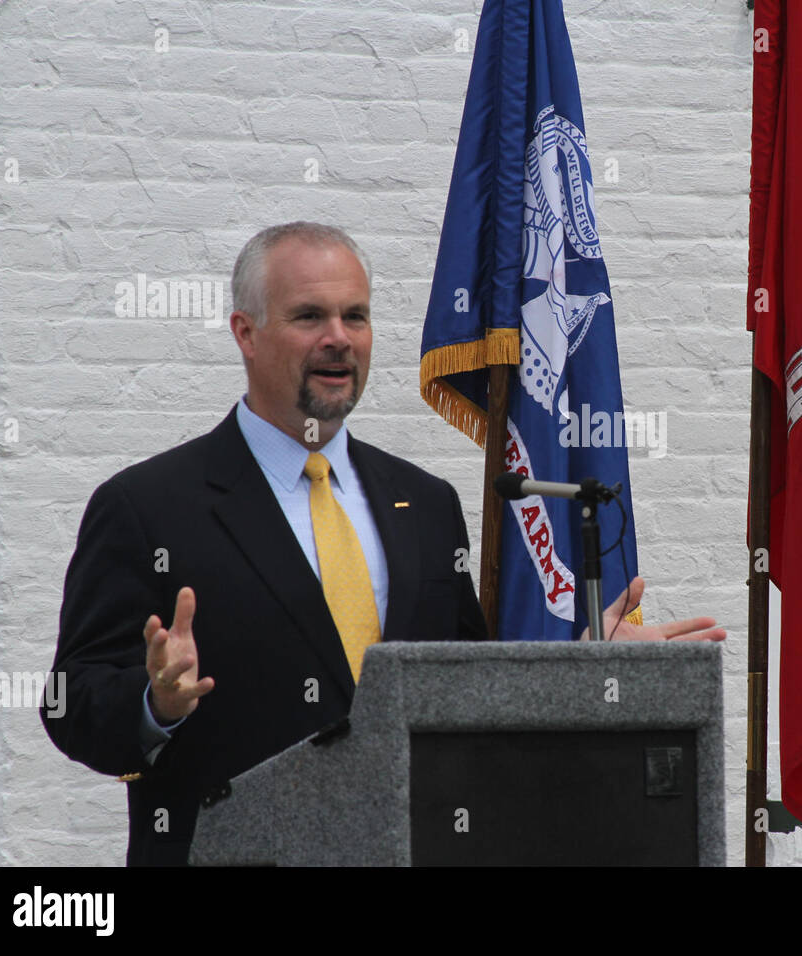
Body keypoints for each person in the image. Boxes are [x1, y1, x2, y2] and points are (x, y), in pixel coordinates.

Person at [41, 222, 724, 865]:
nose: (339, 337)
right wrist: (155, 704)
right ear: (245, 333)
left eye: (356, 316)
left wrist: (583, 672)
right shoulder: (147, 507)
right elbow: (72, 703)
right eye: (310, 316)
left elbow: (464, 695)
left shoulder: (424, 505)